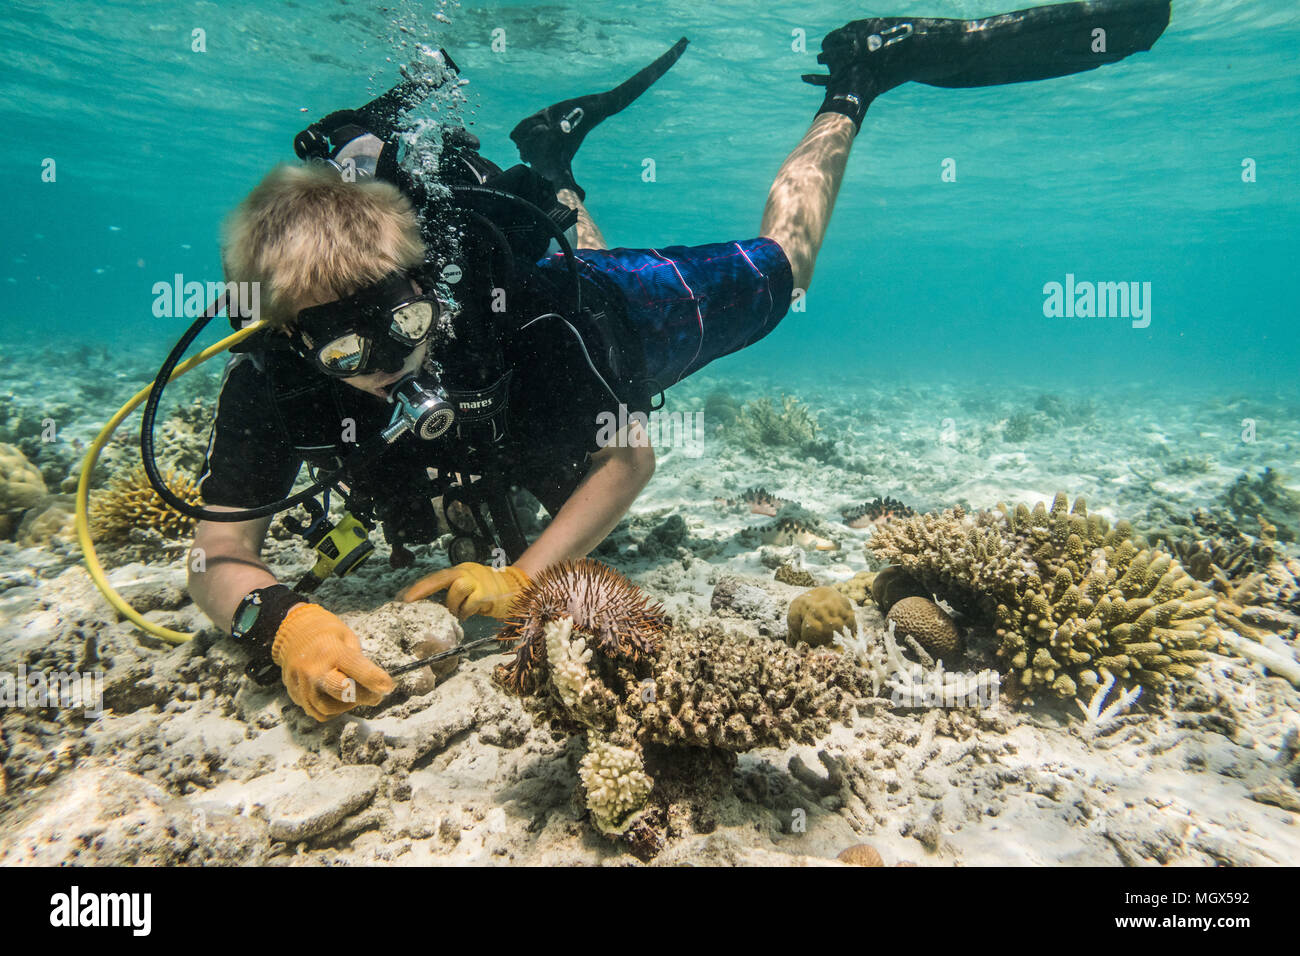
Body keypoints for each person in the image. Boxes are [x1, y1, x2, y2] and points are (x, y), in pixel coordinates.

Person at [188, 0, 1171, 721]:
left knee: (785, 274)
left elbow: (629, 457)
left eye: (402, 331)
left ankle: (857, 79)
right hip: (529, 377)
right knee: (567, 287)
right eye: (345, 351)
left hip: (607, 316)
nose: (386, 369)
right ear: (286, 337)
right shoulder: (269, 380)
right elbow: (221, 557)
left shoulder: (528, 311)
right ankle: (554, 164)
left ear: (430, 286)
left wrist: (528, 574)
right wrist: (283, 625)